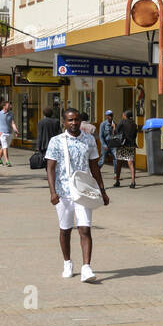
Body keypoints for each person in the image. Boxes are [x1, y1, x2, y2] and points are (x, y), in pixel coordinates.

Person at [44, 108, 109, 282]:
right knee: (65, 229)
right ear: (64, 122)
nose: (74, 123)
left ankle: (86, 267)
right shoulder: (56, 141)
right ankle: (67, 262)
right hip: (63, 192)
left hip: (83, 191)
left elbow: (94, 167)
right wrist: (52, 192)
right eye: (70, 120)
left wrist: (102, 191)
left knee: (85, 229)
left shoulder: (88, 140)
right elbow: (50, 168)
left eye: (77, 120)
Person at [112, 110, 138, 189]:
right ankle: (133, 181)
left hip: (122, 145)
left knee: (119, 163)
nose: (122, 116)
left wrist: (114, 127)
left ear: (125, 115)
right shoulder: (134, 124)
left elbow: (116, 132)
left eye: (123, 115)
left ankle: (117, 181)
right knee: (131, 163)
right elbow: (135, 135)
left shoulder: (122, 122)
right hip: (131, 145)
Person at [0, 100, 17, 167]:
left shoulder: (11, 113)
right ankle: (7, 161)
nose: (10, 106)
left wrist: (15, 130)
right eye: (8, 105)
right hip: (2, 133)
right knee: (5, 147)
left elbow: (13, 123)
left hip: (9, 133)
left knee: (4, 147)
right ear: (4, 106)